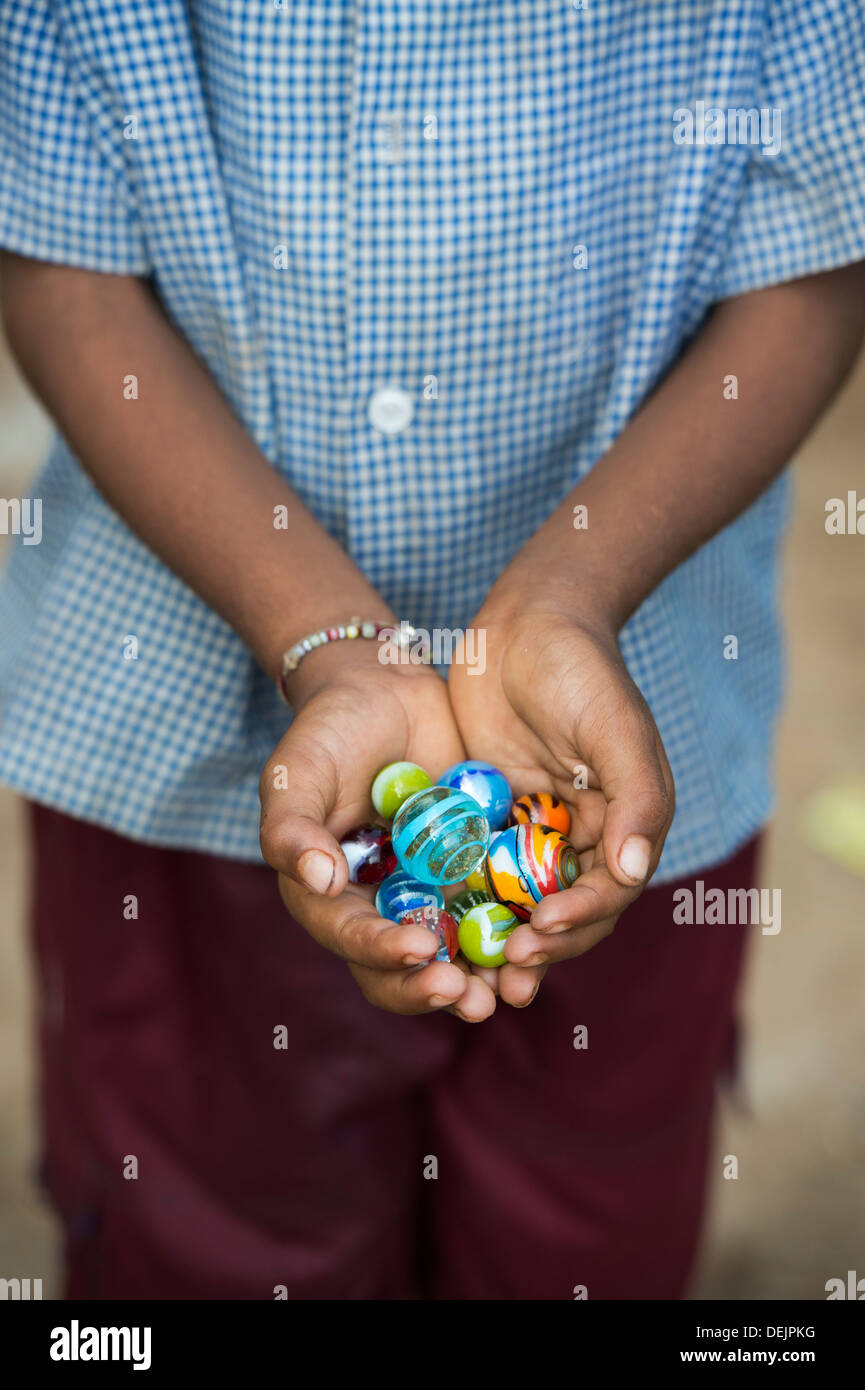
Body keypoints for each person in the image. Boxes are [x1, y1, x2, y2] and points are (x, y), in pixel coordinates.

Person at [1, 1, 863, 1299]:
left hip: (633, 749)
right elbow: (59, 261)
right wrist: (326, 642)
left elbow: (812, 254)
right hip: (174, 764)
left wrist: (572, 592)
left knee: (584, 1229)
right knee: (207, 1228)